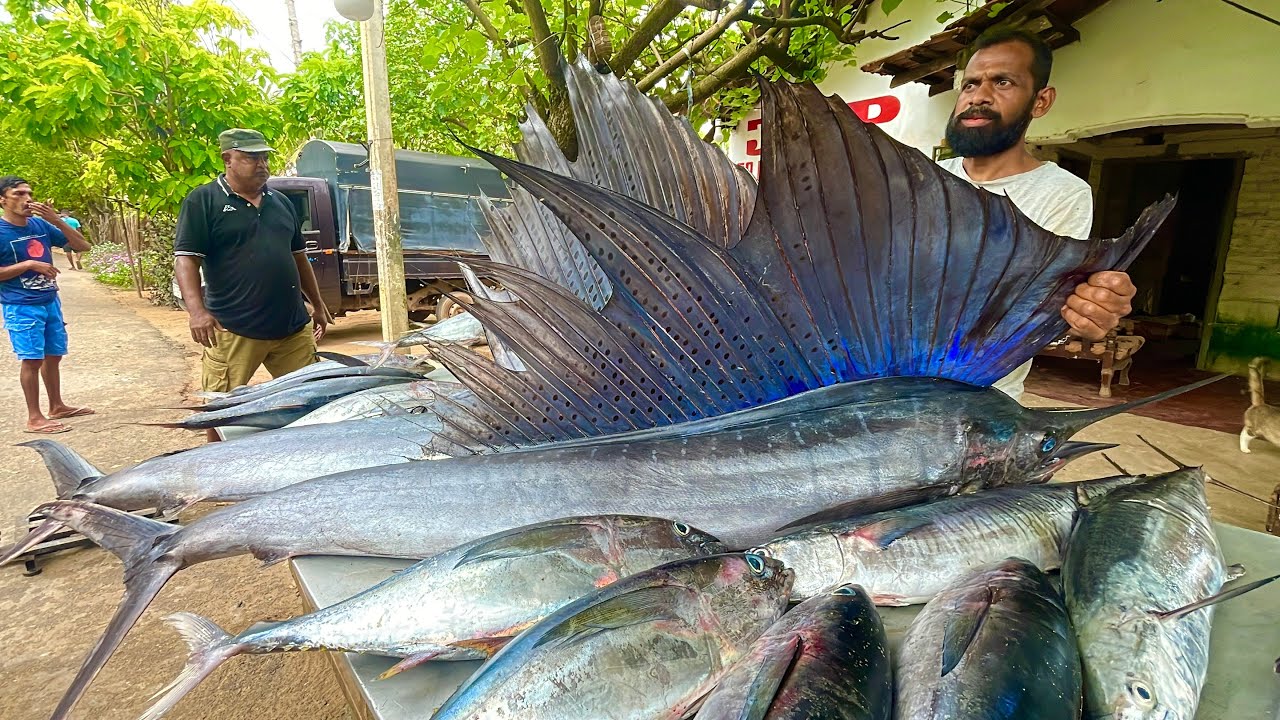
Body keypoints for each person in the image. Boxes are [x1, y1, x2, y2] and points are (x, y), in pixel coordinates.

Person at [939, 28, 1136, 401]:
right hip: (878, 392)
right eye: (969, 85)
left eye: (1002, 82)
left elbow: (1043, 310)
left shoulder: (1063, 193)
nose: (978, 96)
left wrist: (1088, 309)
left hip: (977, 408)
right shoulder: (925, 177)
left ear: (1040, 101)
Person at [174, 128, 332, 442]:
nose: (261, 164)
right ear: (227, 159)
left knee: (311, 402)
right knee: (221, 411)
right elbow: (186, 259)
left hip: (291, 328)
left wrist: (318, 303)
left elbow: (299, 257)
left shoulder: (281, 202)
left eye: (264, 157)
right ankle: (217, 468)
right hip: (235, 328)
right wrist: (196, 312)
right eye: (251, 158)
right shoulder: (203, 200)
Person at [0, 175, 94, 433]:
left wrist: (56, 221)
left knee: (53, 355)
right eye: (18, 194)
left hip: (50, 300)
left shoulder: (41, 225)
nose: (27, 199)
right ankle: (34, 418)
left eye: (28, 193)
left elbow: (82, 246)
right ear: (2, 200)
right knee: (31, 360)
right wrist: (29, 265)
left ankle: (57, 406)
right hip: (20, 305)